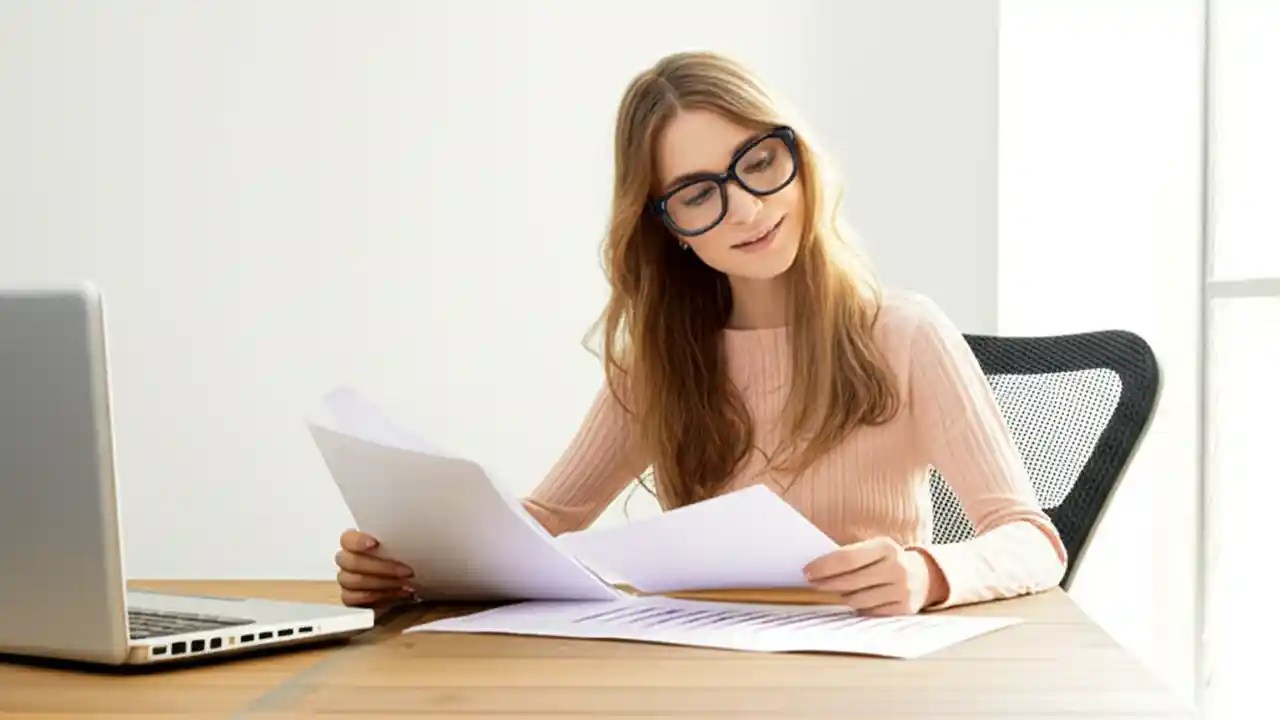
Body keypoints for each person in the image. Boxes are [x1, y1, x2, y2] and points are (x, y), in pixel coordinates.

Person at [333, 50, 1068, 616]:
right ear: (669, 228)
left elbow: (1032, 541)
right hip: (703, 670)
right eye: (697, 194)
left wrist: (925, 572)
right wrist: (412, 569)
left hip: (865, 671)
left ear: (799, 159)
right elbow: (547, 525)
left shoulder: (904, 333)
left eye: (759, 163)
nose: (746, 209)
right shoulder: (660, 360)